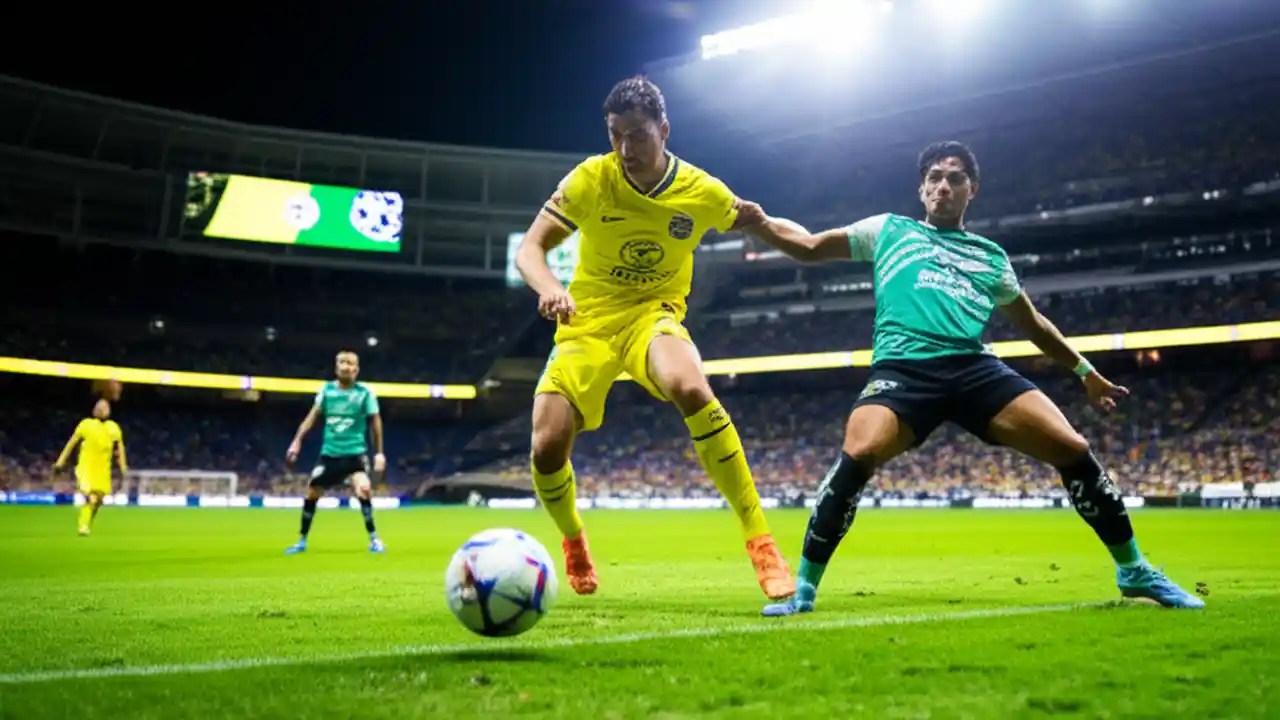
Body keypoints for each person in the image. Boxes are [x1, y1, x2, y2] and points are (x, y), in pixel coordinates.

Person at [743, 141, 1204, 614]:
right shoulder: (888, 230)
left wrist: (1085, 372)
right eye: (935, 177)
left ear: (971, 190)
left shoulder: (990, 256)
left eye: (955, 178)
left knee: (1074, 449)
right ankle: (804, 587)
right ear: (922, 189)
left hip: (972, 368)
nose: (943, 185)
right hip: (904, 369)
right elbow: (810, 245)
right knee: (859, 453)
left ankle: (1133, 571)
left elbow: (1034, 325)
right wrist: (758, 222)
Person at [514, 75, 794, 599]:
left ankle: (761, 542)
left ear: (664, 131)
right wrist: (549, 287)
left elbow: (765, 225)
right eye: (616, 135)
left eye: (637, 135)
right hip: (588, 321)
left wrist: (825, 246)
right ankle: (574, 538)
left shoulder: (702, 192)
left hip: (654, 314)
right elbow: (530, 249)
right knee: (547, 445)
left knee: (690, 385)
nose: (624, 148)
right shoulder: (590, 179)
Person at [284, 351, 386, 554]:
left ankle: (374, 539)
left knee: (363, 489)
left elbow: (375, 421)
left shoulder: (365, 393)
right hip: (330, 454)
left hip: (354, 454)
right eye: (342, 362)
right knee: (312, 492)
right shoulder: (327, 391)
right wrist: (296, 441)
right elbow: (311, 418)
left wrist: (379, 453)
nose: (346, 366)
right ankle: (302, 540)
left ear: (356, 370)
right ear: (336, 367)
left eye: (350, 363)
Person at [54, 398, 127, 536]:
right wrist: (60, 462)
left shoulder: (113, 428)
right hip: (86, 467)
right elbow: (71, 443)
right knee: (90, 497)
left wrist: (123, 466)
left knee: (98, 500)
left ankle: (87, 523)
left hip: (103, 470)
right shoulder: (86, 425)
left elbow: (120, 449)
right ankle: (83, 526)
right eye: (99, 407)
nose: (101, 409)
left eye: (105, 407)